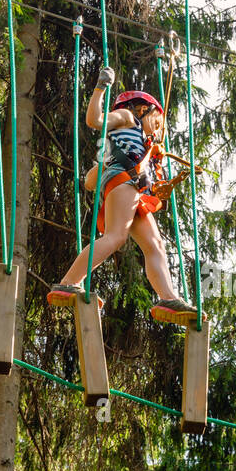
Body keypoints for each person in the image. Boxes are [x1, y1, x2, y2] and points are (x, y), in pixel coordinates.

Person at [46, 67, 202, 325]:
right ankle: (69, 282)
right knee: (116, 237)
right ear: (143, 109)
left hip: (134, 192)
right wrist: (101, 87)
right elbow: (95, 120)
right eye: (157, 120)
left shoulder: (143, 145)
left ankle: (168, 298)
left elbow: (91, 180)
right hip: (123, 185)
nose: (158, 128)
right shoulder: (127, 117)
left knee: (155, 245)